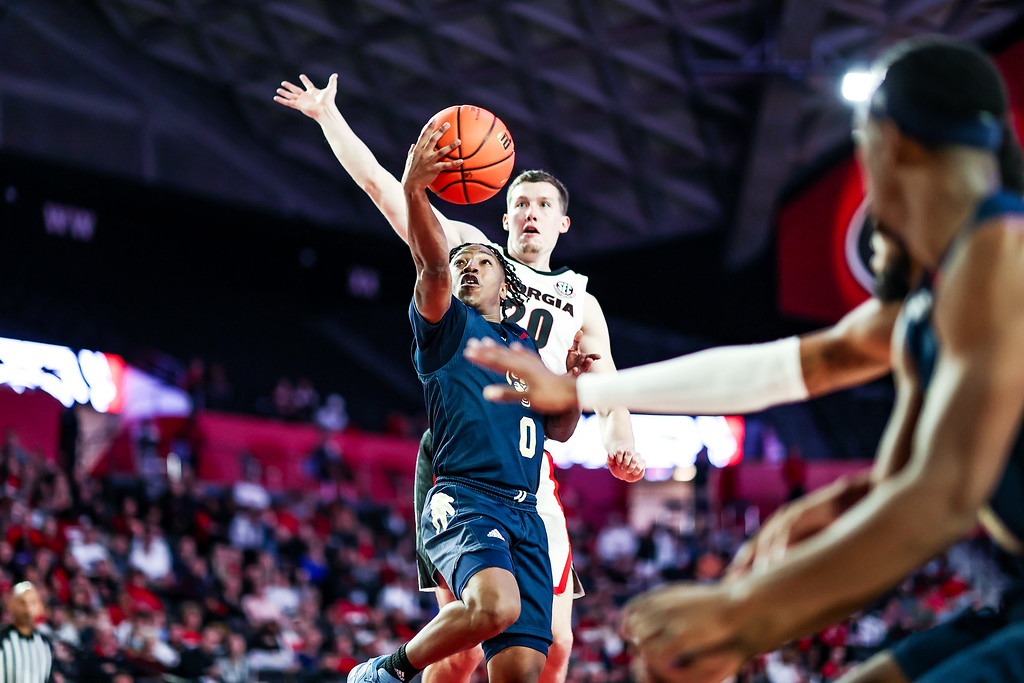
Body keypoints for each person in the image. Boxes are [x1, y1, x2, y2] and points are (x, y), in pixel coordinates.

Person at [472, 36, 1024, 682]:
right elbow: (795, 380)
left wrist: (738, 614)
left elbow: (939, 498)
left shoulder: (1001, 257)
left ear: (889, 143)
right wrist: (580, 393)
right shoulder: (933, 301)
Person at [275, 75, 644, 682]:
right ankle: (390, 673)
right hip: (463, 454)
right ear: (501, 215)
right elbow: (385, 190)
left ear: (563, 225)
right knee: (465, 647)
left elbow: (602, 381)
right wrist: (328, 119)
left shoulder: (581, 302)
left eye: (543, 206)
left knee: (553, 645)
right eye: (520, 204)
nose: (530, 213)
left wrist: (619, 440)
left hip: (530, 468)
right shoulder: (471, 256)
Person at [348, 116, 585, 683]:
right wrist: (414, 189)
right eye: (462, 264)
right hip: (465, 497)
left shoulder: (525, 349)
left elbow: (560, 430)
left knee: (527, 669)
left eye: (481, 262)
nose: (469, 267)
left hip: (526, 510)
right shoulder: (446, 326)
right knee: (491, 611)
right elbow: (430, 261)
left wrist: (570, 389)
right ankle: (388, 670)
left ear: (506, 285)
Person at [0, 581, 55, 682]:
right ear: (11, 606)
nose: (27, 609)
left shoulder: (45, 643)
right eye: (22, 603)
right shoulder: (3, 639)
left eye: (32, 603)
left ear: (40, 607)